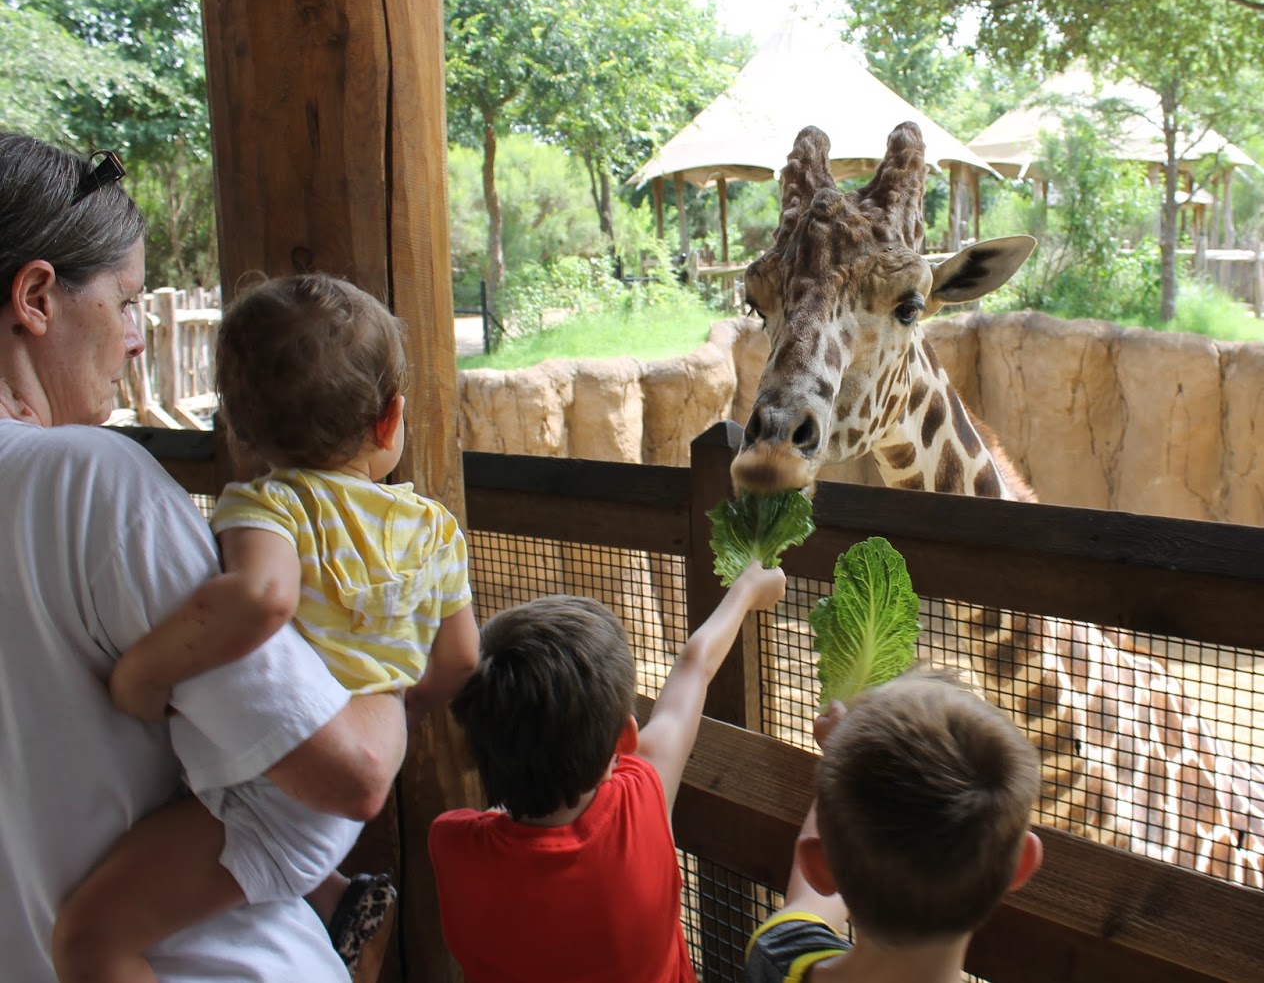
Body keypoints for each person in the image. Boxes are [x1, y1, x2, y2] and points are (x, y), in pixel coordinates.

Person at [0, 132, 407, 983]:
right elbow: (351, 771)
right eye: (125, 302)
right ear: (37, 296)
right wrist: (392, 624)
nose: (137, 339)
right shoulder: (86, 481)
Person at [52, 272, 481, 982]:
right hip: (324, 807)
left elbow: (263, 596)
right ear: (390, 418)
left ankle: (330, 896)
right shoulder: (433, 528)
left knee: (89, 940)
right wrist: (397, 701)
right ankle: (338, 902)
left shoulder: (270, 505)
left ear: (239, 428)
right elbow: (459, 659)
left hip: (269, 801)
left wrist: (143, 673)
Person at [430, 563, 787, 983]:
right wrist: (745, 591)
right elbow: (695, 666)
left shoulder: (451, 843)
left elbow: (491, 827)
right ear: (625, 738)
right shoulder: (641, 802)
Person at [745, 672, 1044, 983]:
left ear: (818, 865)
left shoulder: (775, 957)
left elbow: (807, 907)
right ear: (1021, 864)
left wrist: (839, 758)